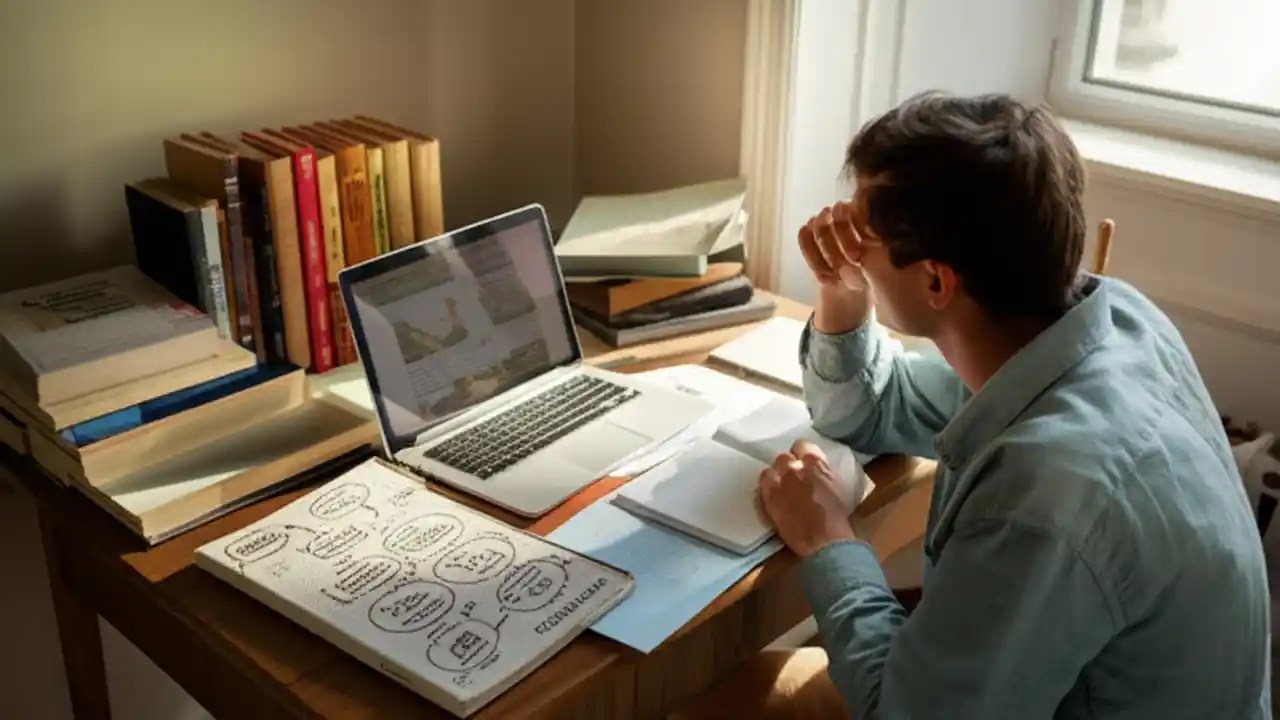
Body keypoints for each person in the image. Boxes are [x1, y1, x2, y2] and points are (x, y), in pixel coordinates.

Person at [680, 93, 1271, 718]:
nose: (846, 245)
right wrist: (842, 292)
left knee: (717, 703)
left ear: (937, 281)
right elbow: (864, 411)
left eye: (863, 236)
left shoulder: (1044, 490)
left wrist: (827, 539)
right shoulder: (1106, 324)